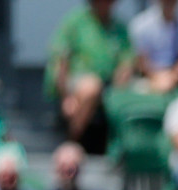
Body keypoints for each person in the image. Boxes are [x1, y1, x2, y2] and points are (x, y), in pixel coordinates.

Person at [47, 0, 135, 143]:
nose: (106, 4)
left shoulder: (120, 28)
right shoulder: (75, 22)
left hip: (110, 85)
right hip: (78, 82)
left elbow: (127, 61)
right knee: (91, 87)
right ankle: (72, 140)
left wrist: (122, 81)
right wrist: (65, 97)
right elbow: (60, 61)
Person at [128, 0, 178, 93]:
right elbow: (142, 63)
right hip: (151, 77)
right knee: (165, 84)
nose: (169, 3)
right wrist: (166, 74)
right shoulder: (141, 24)